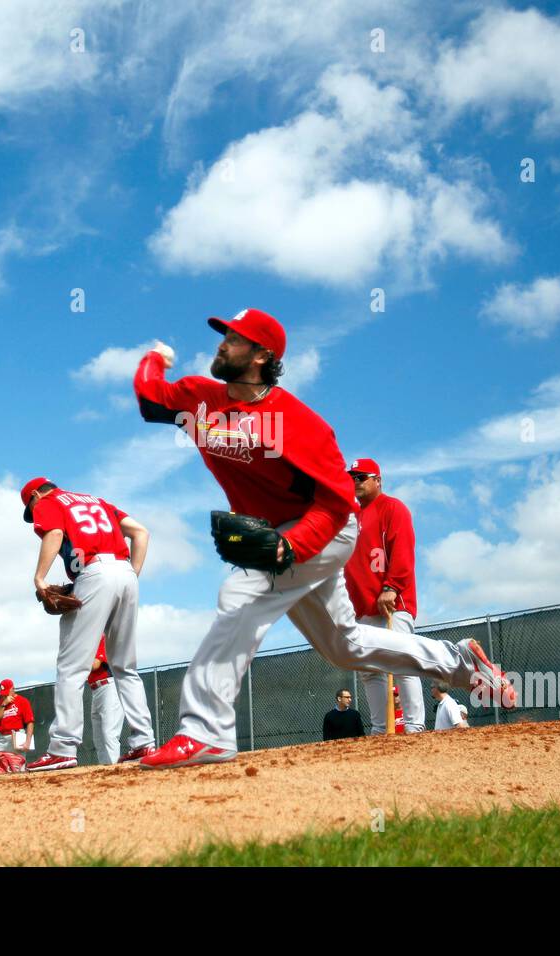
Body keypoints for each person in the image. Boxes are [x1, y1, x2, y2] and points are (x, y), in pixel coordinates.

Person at [131, 308, 515, 770]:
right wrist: (154, 358)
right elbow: (152, 397)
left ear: (261, 356)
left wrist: (292, 548)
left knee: (241, 592)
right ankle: (460, 664)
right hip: (277, 533)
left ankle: (205, 732)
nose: (222, 343)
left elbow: (336, 503)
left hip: (325, 528)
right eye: (224, 334)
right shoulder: (198, 398)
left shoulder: (297, 421)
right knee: (345, 645)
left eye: (233, 338)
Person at [21, 479, 158, 771]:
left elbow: (55, 532)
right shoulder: (97, 500)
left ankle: (63, 747)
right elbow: (141, 533)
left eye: (31, 510)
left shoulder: (48, 502)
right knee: (125, 666)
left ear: (35, 496)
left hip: (93, 573)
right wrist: (130, 574)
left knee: (71, 667)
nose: (34, 516)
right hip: (124, 572)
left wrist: (40, 578)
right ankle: (143, 742)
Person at [344, 457, 425, 734]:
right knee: (370, 669)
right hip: (362, 607)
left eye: (361, 477)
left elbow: (403, 550)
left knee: (402, 660)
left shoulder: (393, 508)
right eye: (351, 477)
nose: (355, 481)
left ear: (378, 480)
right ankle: (380, 730)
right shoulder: (350, 518)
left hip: (392, 603)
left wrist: (391, 587)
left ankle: (414, 726)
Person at [87, 636, 125, 765]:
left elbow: (95, 664)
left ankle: (114, 767)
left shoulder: (100, 637)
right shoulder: (88, 641)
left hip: (108, 686)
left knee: (109, 732)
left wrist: (77, 661)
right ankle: (105, 768)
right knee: (98, 737)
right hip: (95, 689)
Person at [0, 679, 35, 753]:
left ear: (13, 689)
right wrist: (4, 704)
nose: (5, 695)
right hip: (3, 739)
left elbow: (30, 722)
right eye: (3, 693)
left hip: (17, 736)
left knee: (16, 763)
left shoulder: (22, 701)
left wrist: (28, 742)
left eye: (7, 692)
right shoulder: (1, 702)